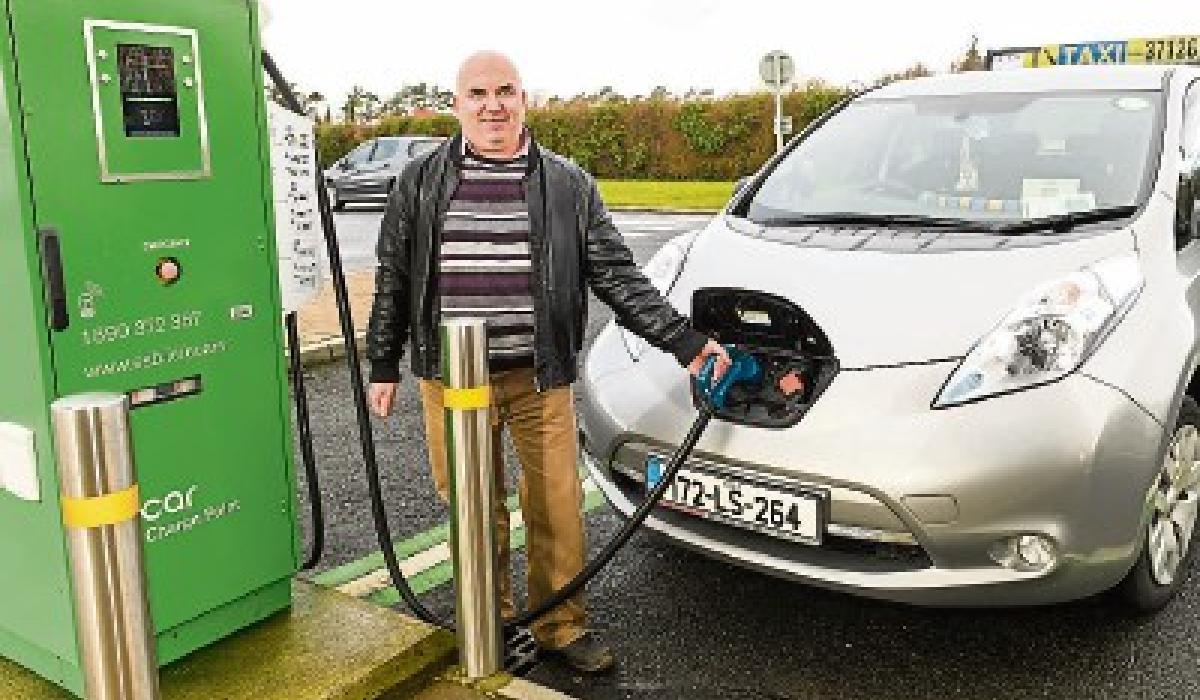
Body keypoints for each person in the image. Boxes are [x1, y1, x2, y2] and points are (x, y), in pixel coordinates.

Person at [365, 50, 730, 674]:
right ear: (457, 105)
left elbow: (617, 274)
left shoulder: (567, 185)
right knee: (474, 509)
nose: (493, 106)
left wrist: (685, 342)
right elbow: (395, 278)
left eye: (505, 91)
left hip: (539, 377)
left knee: (557, 508)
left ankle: (560, 626)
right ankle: (492, 620)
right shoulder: (419, 183)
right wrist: (382, 363)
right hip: (452, 383)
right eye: (477, 94)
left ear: (524, 99)